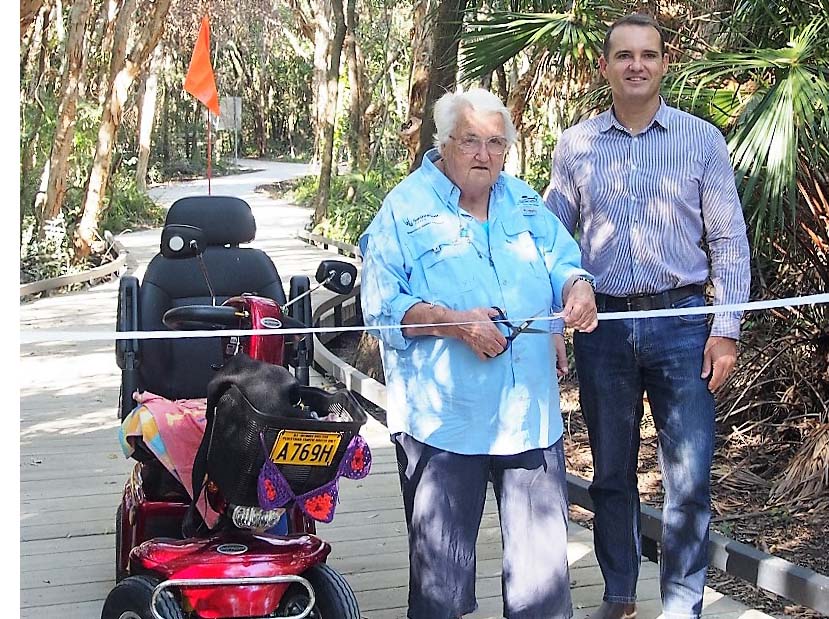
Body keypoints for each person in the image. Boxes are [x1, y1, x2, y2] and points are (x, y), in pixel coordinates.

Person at [359, 88, 598, 619]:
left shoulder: (525, 201)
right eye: (470, 141)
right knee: (440, 589)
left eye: (496, 142)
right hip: (447, 424)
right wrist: (453, 323)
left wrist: (576, 288)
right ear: (444, 143)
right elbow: (378, 307)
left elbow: (563, 259)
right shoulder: (404, 208)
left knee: (542, 586)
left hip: (529, 418)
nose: (484, 154)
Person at [545, 13, 751, 619]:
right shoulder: (575, 144)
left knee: (687, 478)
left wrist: (726, 330)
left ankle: (683, 602)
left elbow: (729, 242)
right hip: (601, 328)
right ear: (605, 67)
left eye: (649, 54)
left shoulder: (701, 140)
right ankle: (619, 595)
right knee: (611, 471)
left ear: (665, 64)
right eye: (625, 55)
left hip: (683, 323)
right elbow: (555, 241)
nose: (637, 64)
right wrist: (554, 321)